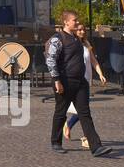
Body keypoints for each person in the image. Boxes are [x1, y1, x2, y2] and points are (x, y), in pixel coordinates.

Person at [46, 9, 112, 157]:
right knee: (60, 112)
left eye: (77, 20)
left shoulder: (77, 39)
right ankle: (56, 142)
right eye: (74, 20)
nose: (77, 22)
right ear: (66, 22)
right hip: (64, 81)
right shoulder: (58, 39)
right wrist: (57, 80)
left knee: (85, 113)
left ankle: (96, 147)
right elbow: (50, 60)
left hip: (80, 81)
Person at [62, 21, 107, 149]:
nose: (82, 32)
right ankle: (86, 138)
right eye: (79, 29)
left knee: (83, 110)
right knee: (84, 110)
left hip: (86, 80)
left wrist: (100, 74)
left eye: (84, 30)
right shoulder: (70, 44)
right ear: (75, 31)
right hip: (74, 80)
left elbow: (93, 61)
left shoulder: (86, 44)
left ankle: (69, 125)